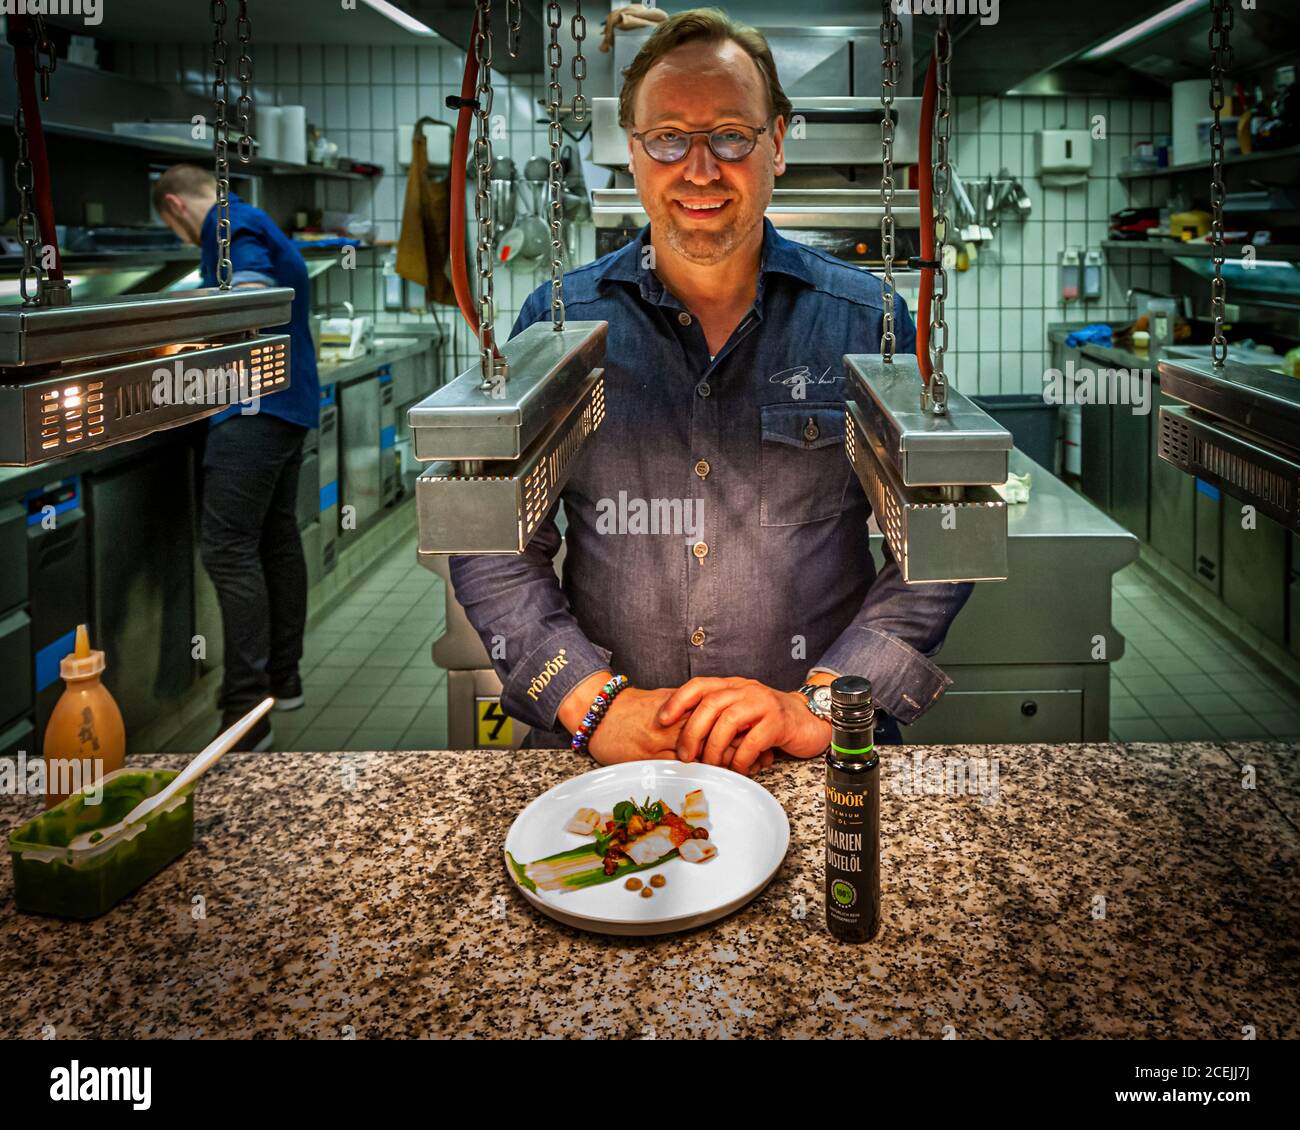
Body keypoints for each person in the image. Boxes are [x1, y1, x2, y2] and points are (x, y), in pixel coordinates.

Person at [449, 9, 973, 776]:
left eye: (731, 133)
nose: (699, 170)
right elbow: (491, 537)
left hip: (809, 754)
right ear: (632, 150)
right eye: (667, 137)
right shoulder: (557, 325)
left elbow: (941, 540)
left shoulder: (871, 323)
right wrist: (590, 700)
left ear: (779, 144)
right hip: (608, 751)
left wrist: (818, 703)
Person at [154, 164, 320, 751]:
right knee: (275, 538)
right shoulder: (253, 217)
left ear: (174, 205)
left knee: (227, 549)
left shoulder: (227, 223)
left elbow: (249, 294)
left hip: (254, 408)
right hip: (289, 404)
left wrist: (166, 322)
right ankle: (282, 679)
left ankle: (245, 710)